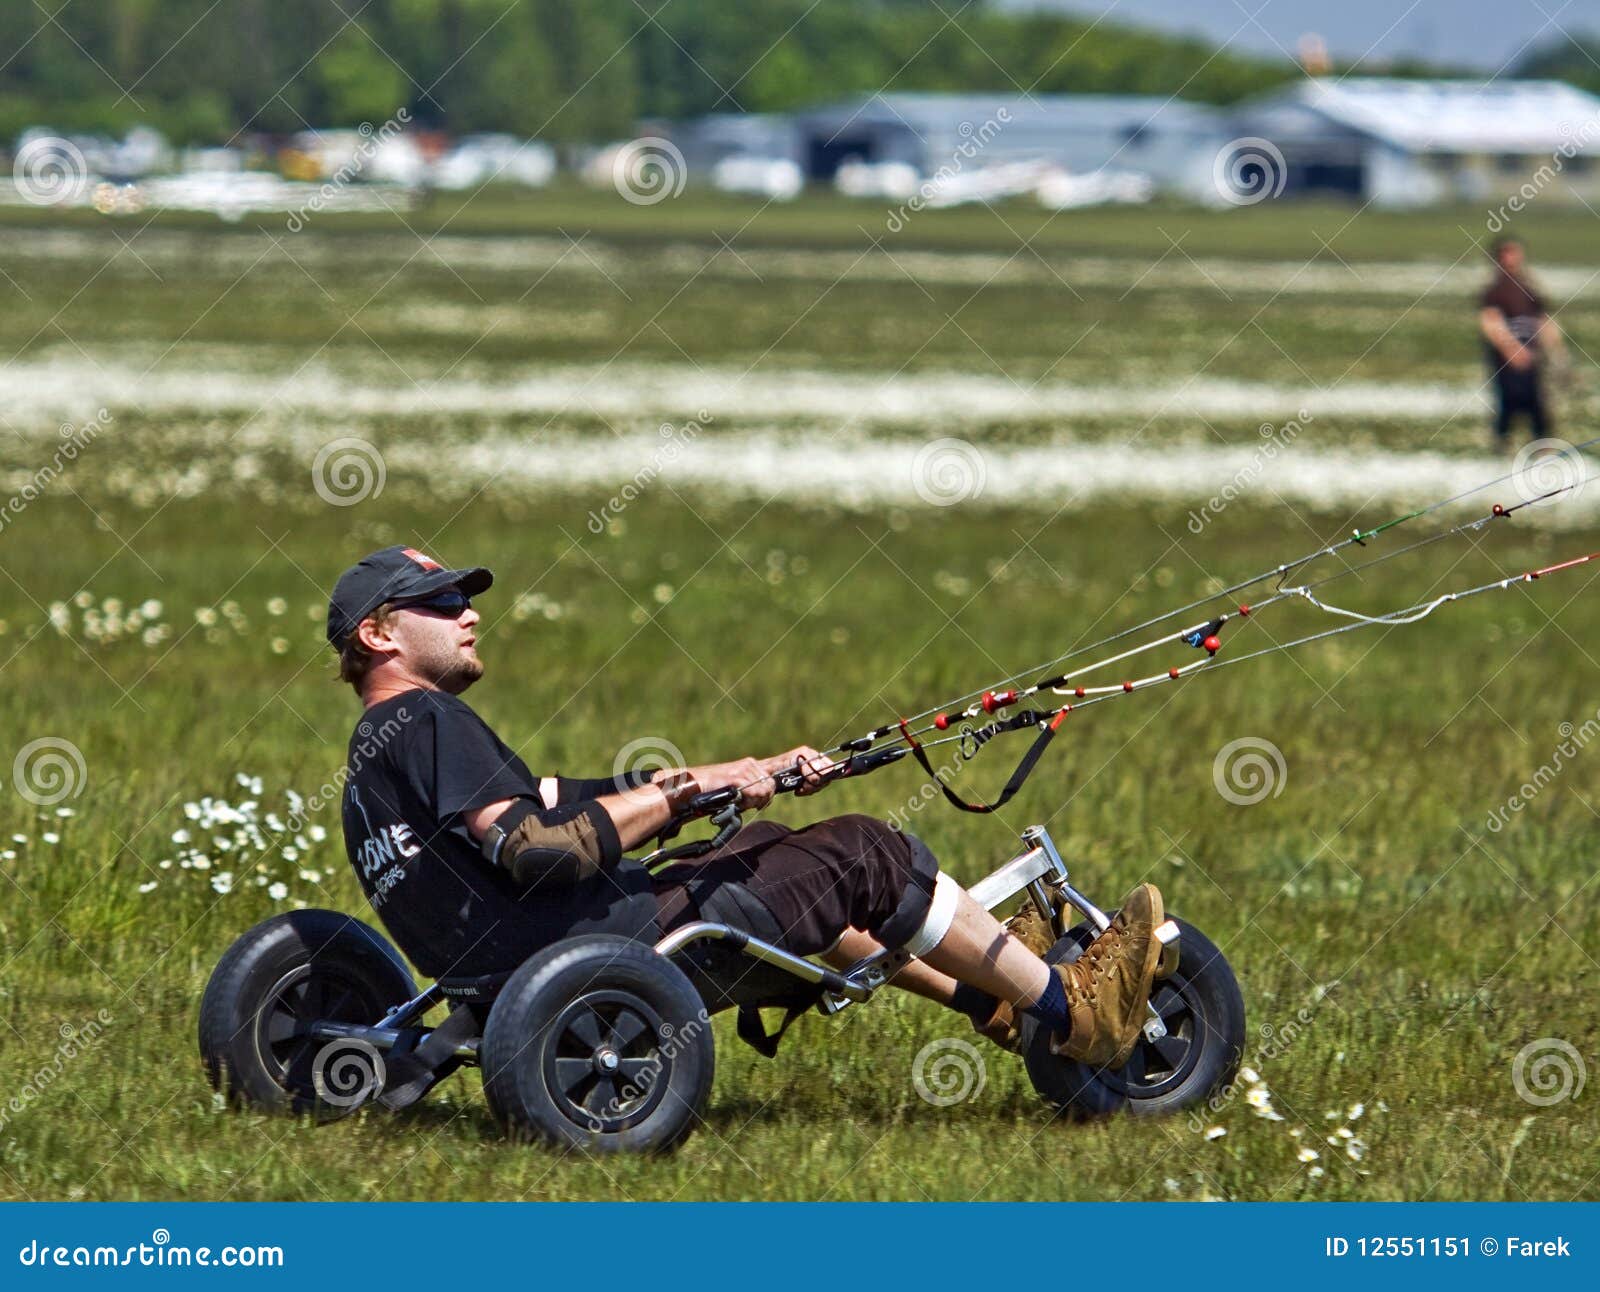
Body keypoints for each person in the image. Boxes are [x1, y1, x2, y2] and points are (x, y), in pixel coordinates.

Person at [328, 544, 1166, 1068]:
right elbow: (541, 848)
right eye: (440, 604)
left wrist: (743, 770)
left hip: (516, 957)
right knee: (868, 854)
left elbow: (563, 799)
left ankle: (992, 1002)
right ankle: (1072, 1010)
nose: (469, 615)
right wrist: (684, 791)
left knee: (764, 846)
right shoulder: (426, 718)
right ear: (378, 634)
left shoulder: (376, 754)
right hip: (595, 949)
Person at [1479, 237, 1567, 449]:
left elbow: (1544, 319)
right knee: (1509, 400)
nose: (1513, 258)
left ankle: (1542, 447)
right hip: (1506, 357)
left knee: (1538, 402)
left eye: (1515, 252)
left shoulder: (1531, 286)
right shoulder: (1494, 290)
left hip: (1535, 354)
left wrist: (1558, 350)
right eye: (1507, 253)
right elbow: (1491, 321)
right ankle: (1502, 445)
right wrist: (1511, 349)